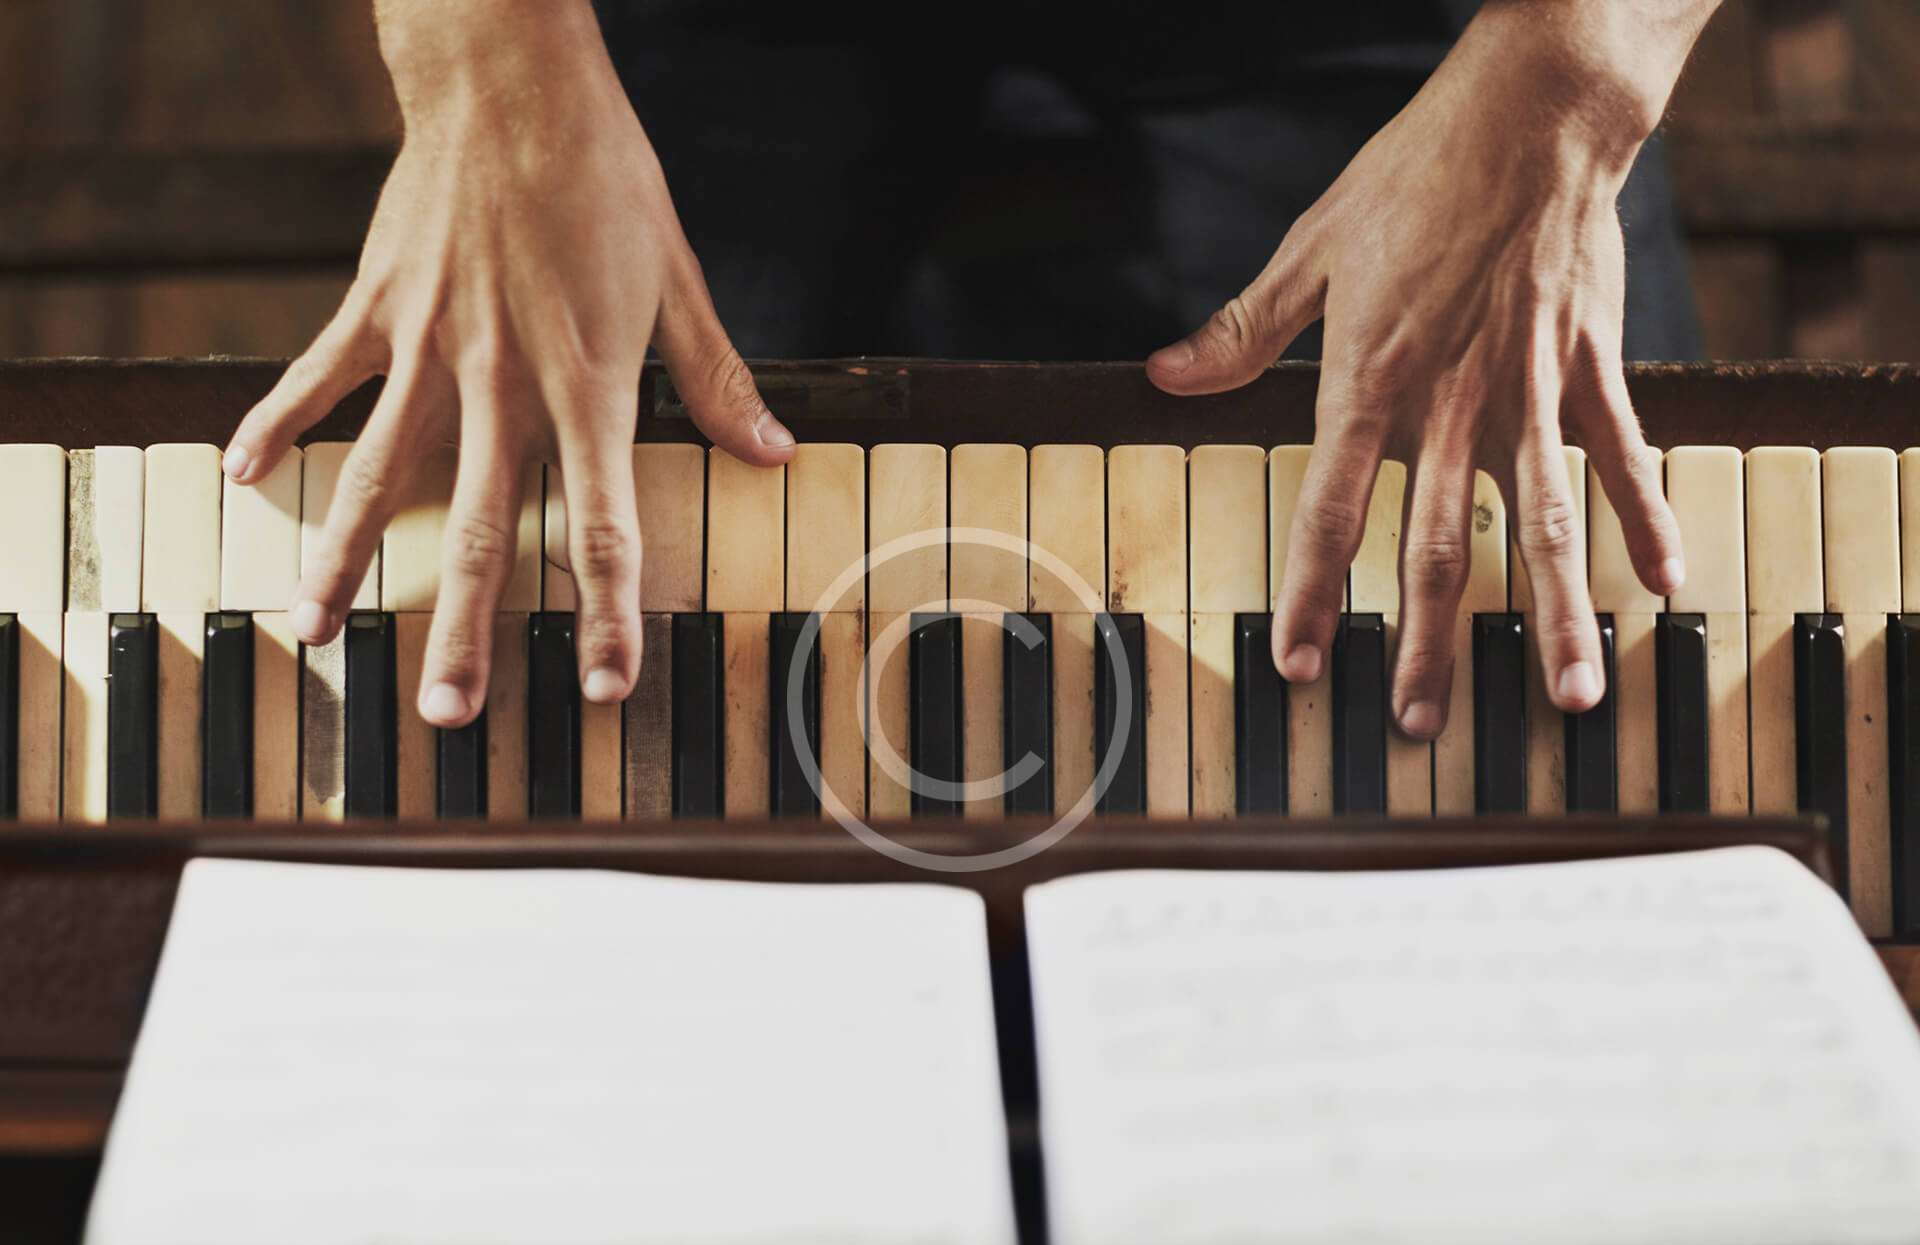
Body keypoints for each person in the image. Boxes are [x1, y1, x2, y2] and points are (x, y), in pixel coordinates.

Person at [220, 0, 1718, 745]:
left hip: (1431, 32)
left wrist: (1579, 72)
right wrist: (484, 57)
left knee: (1515, 671)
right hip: (704, 27)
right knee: (589, 684)